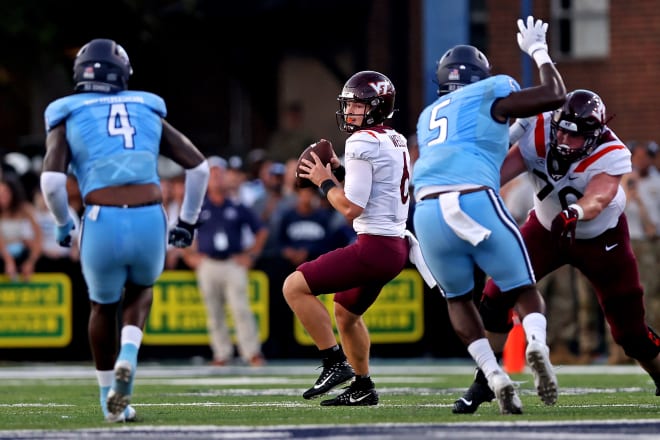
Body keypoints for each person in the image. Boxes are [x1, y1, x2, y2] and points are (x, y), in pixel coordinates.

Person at [455, 89, 660, 413]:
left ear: (594, 136)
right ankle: (485, 381)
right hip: (546, 229)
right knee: (495, 298)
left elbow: (600, 196)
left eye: (575, 136)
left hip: (601, 238)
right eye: (561, 129)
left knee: (630, 333)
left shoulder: (612, 151)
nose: (564, 139)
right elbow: (494, 176)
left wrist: (576, 212)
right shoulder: (539, 131)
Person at [40, 38, 209, 422]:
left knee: (102, 306)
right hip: (150, 215)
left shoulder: (66, 113)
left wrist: (64, 224)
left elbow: (51, 182)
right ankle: (129, 356)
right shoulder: (146, 107)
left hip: (101, 217)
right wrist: (186, 220)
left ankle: (108, 400)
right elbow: (199, 167)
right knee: (141, 290)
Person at [412, 16, 566, 415]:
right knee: (521, 287)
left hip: (427, 210)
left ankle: (492, 373)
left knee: (459, 298)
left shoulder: (428, 117)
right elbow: (555, 94)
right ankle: (535, 344)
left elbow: (478, 147)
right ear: (481, 76)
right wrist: (538, 51)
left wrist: (514, 131)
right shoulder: (492, 91)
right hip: (473, 199)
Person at [283, 70, 412, 406]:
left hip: (374, 247)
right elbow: (374, 187)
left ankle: (334, 362)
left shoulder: (362, 141)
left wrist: (324, 181)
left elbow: (351, 208)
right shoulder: (394, 139)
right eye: (350, 104)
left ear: (377, 107)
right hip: (394, 248)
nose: (350, 111)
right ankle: (363, 385)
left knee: (293, 287)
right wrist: (341, 172)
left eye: (357, 104)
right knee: (345, 312)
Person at [182, 156, 268, 367]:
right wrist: (189, 255)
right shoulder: (199, 206)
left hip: (232, 263)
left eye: (219, 173)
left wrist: (251, 255)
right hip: (208, 263)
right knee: (214, 311)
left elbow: (261, 231)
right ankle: (221, 353)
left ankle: (251, 352)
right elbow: (183, 232)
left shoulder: (237, 205)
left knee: (240, 308)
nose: (216, 178)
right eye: (212, 173)